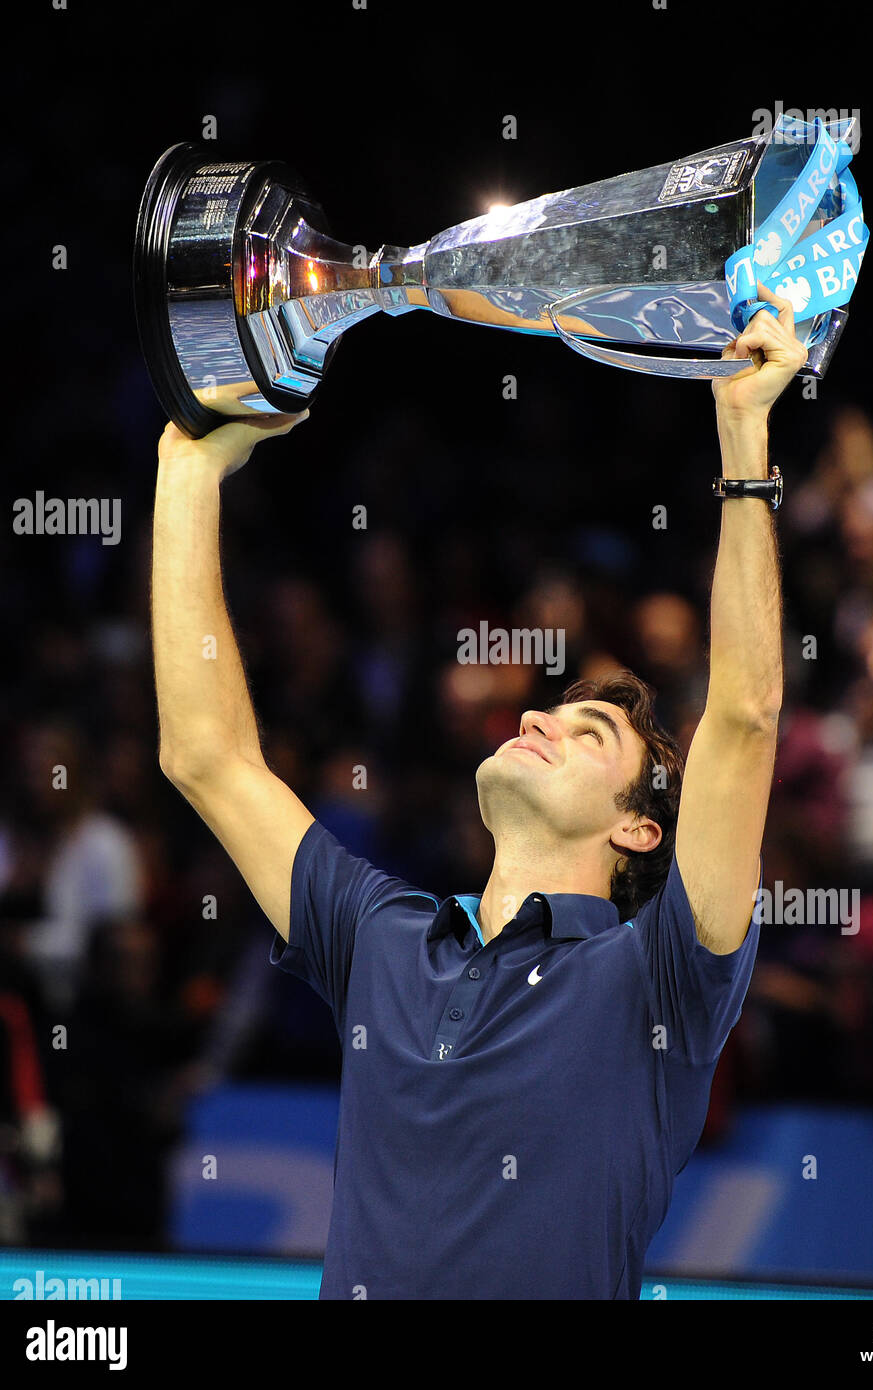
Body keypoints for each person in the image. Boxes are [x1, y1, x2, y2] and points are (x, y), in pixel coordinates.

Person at [151, 282, 803, 1299]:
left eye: (587, 731)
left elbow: (746, 714)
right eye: (547, 710)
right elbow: (204, 754)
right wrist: (186, 467)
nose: (535, 717)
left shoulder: (666, 979)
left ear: (640, 829)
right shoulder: (382, 936)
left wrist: (741, 434)